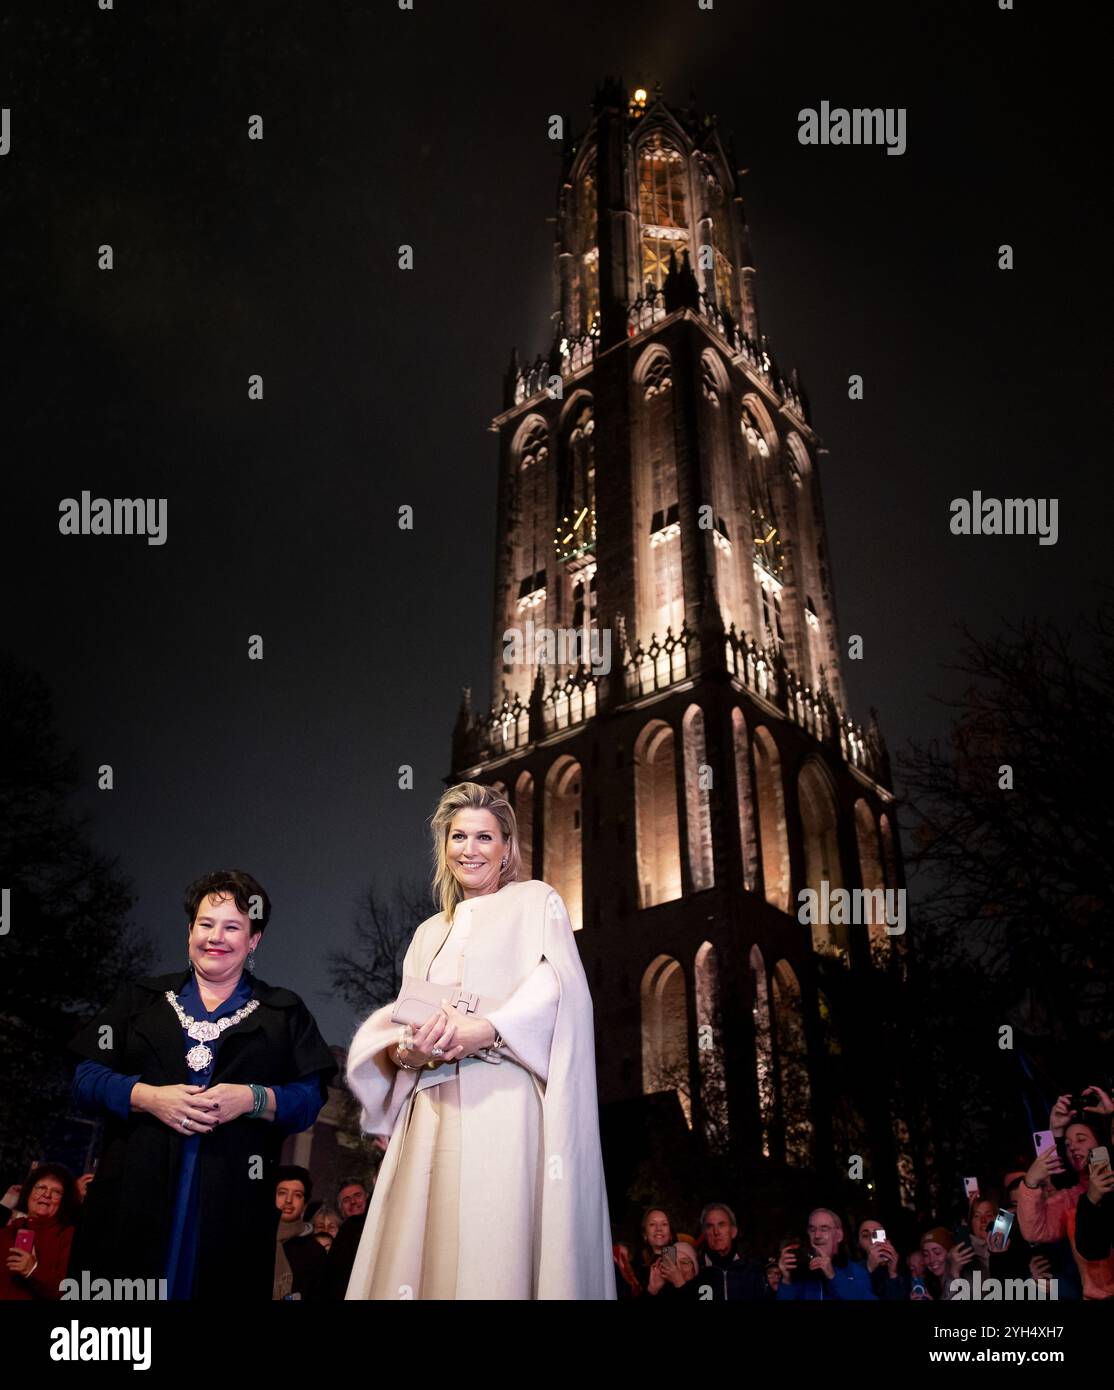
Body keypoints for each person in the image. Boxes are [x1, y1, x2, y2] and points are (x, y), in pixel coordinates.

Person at [345, 781, 614, 1299]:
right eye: (459, 837)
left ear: (507, 848)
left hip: (504, 1102)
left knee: (498, 1245)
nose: (470, 849)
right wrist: (408, 1052)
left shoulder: (536, 902)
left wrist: (488, 1029)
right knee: (430, 1252)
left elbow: (558, 988)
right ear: (445, 847)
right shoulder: (427, 933)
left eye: (485, 837)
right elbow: (408, 1019)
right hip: (433, 1107)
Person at [68, 870, 337, 1300]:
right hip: (131, 1199)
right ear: (190, 931)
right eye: (205, 924)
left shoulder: (284, 1013)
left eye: (232, 927)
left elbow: (308, 1100)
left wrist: (252, 1098)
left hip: (234, 1205)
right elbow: (85, 1080)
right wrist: (148, 1097)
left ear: (254, 940)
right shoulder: (140, 999)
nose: (215, 937)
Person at [1017, 1095, 1114, 1298]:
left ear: (1102, 1142)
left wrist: (1111, 1115)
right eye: (1068, 1145)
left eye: (1081, 1139)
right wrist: (1030, 1183)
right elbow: (1035, 1230)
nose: (1073, 1147)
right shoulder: (1072, 1198)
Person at [0, 1165, 80, 1300]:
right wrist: (4, 1204)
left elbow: (68, 1290)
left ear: (64, 1201)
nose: (47, 1195)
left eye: (56, 1192)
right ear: (28, 1193)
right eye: (41, 1187)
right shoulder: (11, 1228)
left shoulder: (67, 1235)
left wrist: (33, 1270)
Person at [777, 1208, 877, 1299]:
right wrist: (787, 1280)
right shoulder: (801, 1272)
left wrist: (833, 1276)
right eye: (812, 1229)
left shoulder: (856, 1271)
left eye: (824, 1229)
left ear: (839, 1235)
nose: (817, 1235)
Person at [694, 1202, 769, 1300]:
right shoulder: (695, 1271)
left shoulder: (753, 1271)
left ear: (733, 1231)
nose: (716, 1232)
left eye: (722, 1225)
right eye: (710, 1226)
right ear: (704, 1234)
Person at [274, 1167, 327, 1299]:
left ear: (305, 1205)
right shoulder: (251, 1239)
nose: (288, 1200)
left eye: (297, 1195)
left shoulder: (314, 1252)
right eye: (282, 1193)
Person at [856, 1217, 907, 1299]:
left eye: (878, 1234)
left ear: (887, 1239)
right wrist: (868, 1269)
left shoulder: (902, 1267)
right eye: (866, 1236)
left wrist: (893, 1274)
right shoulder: (851, 1271)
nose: (872, 1240)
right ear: (859, 1244)